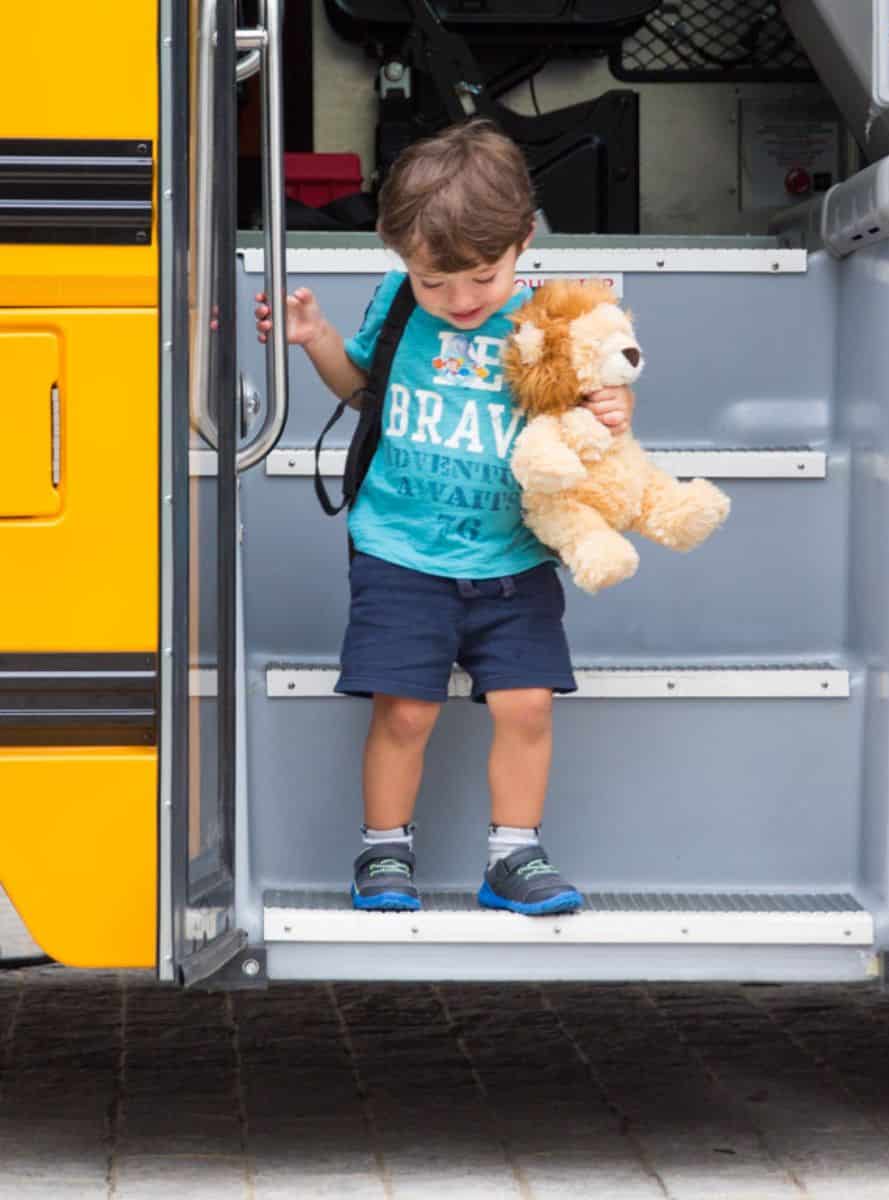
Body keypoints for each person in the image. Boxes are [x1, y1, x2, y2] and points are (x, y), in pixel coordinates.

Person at [255, 119, 632, 915]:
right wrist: (315, 337)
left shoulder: (551, 324)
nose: (458, 300)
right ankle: (383, 849)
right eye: (435, 282)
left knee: (526, 704)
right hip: (400, 550)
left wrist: (613, 405)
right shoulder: (398, 306)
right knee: (406, 707)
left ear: (523, 242)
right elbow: (364, 391)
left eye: (480, 278)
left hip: (515, 554)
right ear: (402, 262)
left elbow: (588, 421)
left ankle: (515, 854)